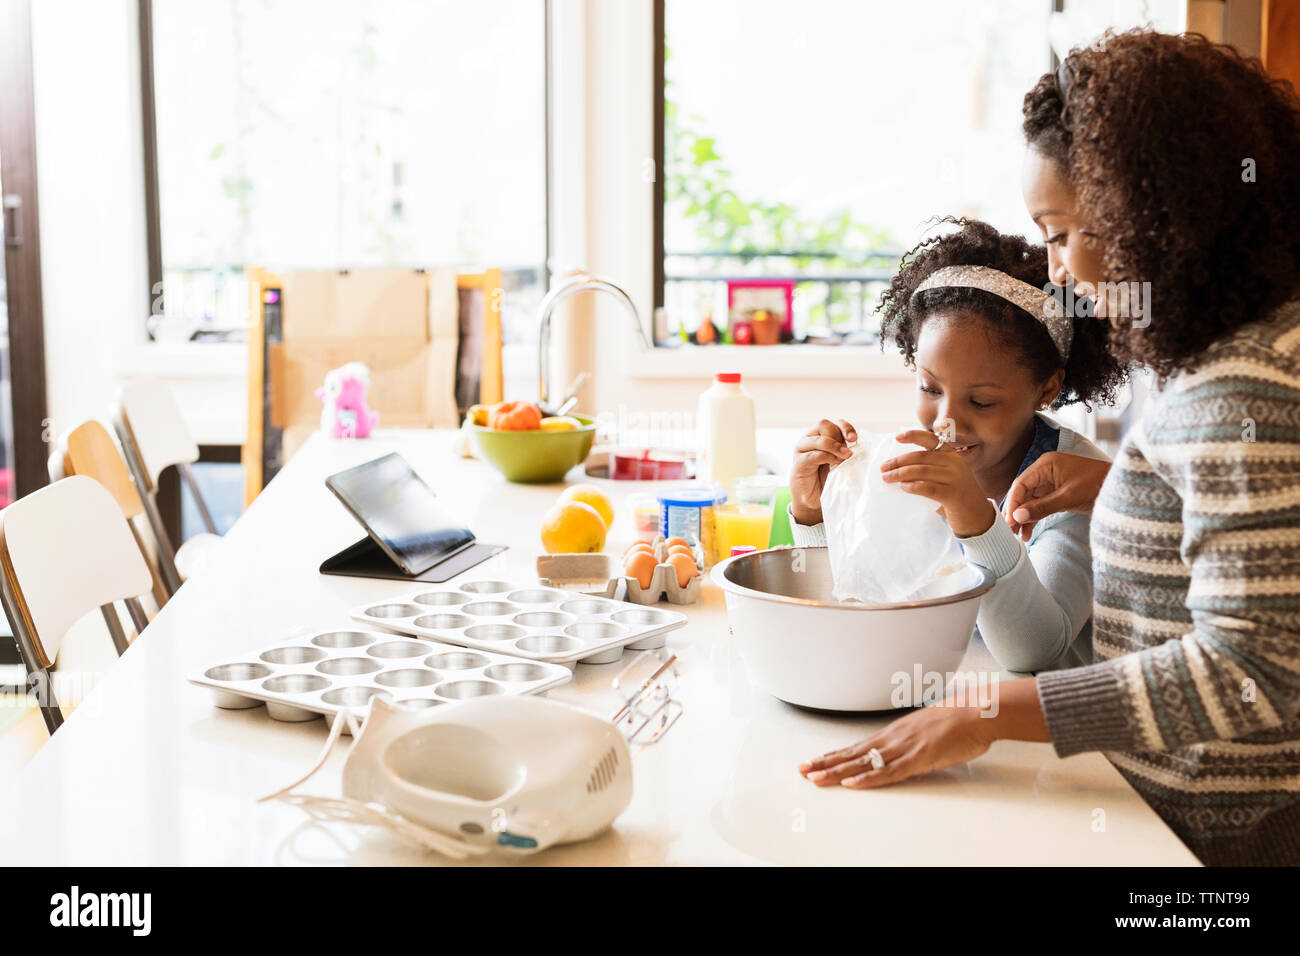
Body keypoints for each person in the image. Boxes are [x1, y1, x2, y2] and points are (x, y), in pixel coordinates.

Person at [800, 29, 1300, 867]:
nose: (1059, 272)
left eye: (1063, 232)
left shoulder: (1242, 384)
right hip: (1159, 808)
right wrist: (1120, 489)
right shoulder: (1224, 350)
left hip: (1219, 840)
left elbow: (1252, 669)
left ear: (1157, 217)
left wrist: (990, 711)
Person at [788, 218, 1125, 671]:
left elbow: (1034, 651)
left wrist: (976, 520)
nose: (946, 420)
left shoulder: (1077, 486)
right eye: (929, 388)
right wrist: (817, 513)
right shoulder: (920, 462)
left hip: (1054, 725)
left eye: (981, 401)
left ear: (1046, 389)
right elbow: (861, 598)